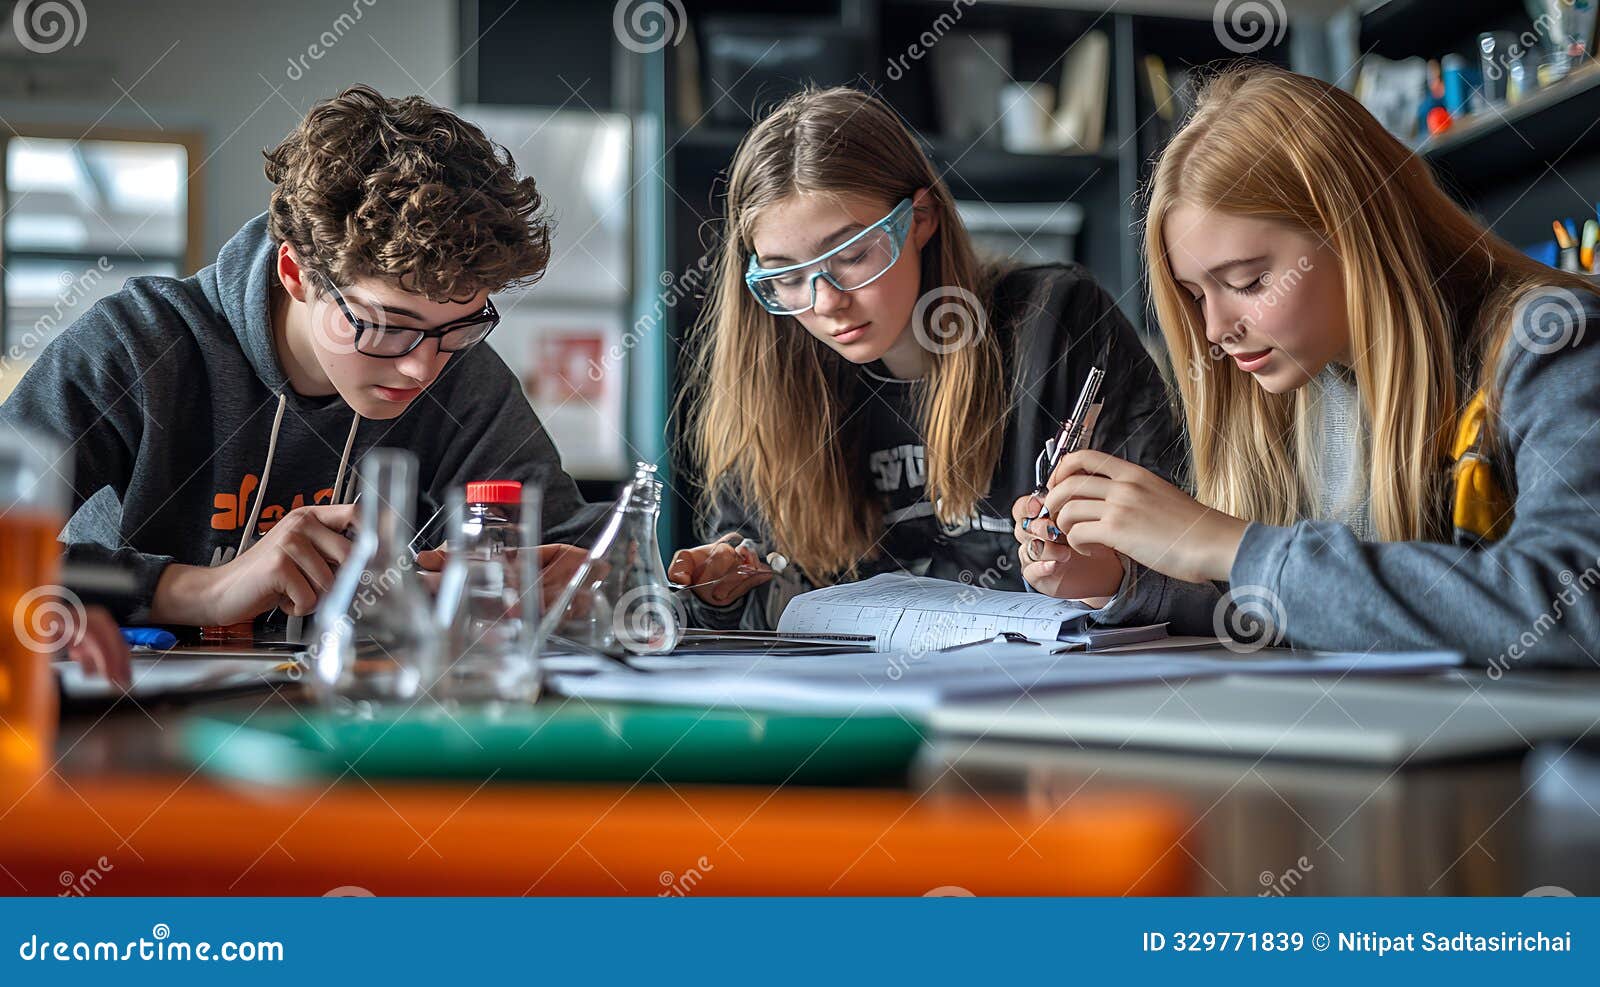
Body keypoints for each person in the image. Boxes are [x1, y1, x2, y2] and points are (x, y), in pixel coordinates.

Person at [1017, 64, 1600, 663]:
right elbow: (1312, 601)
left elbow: (1577, 604)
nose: (1216, 331)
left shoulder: (1550, 344)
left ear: (1356, 231)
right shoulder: (1307, 378)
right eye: (1196, 296)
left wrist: (1237, 548)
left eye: (1248, 281)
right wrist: (1122, 582)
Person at [0, 85, 597, 634]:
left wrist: (630, 578)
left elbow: (572, 556)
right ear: (296, 273)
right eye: (388, 326)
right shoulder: (136, 347)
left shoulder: (465, 376)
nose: (422, 369)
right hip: (138, 721)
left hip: (364, 724)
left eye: (461, 326)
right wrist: (200, 591)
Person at [668, 86, 1183, 629]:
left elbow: (1184, 557)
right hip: (860, 700)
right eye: (787, 277)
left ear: (921, 218)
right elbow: (768, 609)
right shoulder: (776, 379)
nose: (826, 303)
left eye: (851, 255)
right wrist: (721, 594)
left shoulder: (1054, 324)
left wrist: (1108, 579)